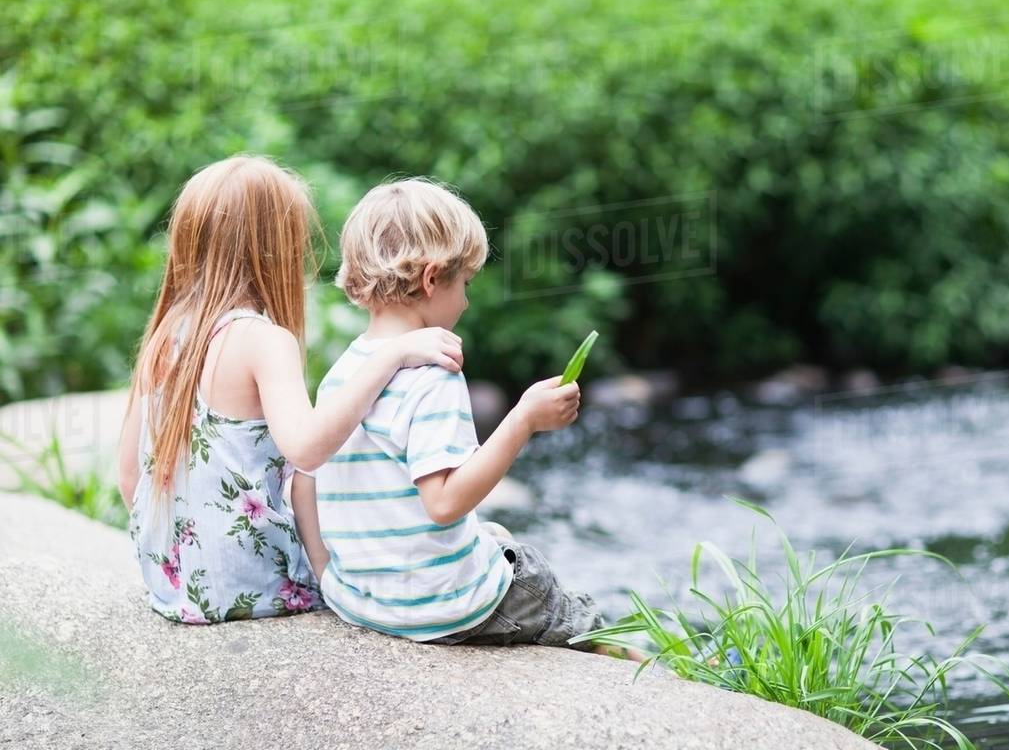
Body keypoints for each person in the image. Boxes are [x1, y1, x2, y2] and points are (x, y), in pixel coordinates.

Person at [298, 177, 642, 660]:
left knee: (493, 535)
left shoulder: (344, 373)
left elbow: (306, 482)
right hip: (439, 608)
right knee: (548, 590)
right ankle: (655, 662)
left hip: (361, 601)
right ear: (432, 278)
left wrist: (327, 575)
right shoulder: (433, 377)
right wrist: (523, 420)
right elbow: (443, 504)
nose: (466, 301)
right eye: (466, 283)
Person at [116, 156, 462, 624]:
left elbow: (129, 480)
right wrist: (393, 355)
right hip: (255, 586)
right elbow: (307, 450)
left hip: (174, 587)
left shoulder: (166, 334)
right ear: (272, 250)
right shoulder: (262, 340)